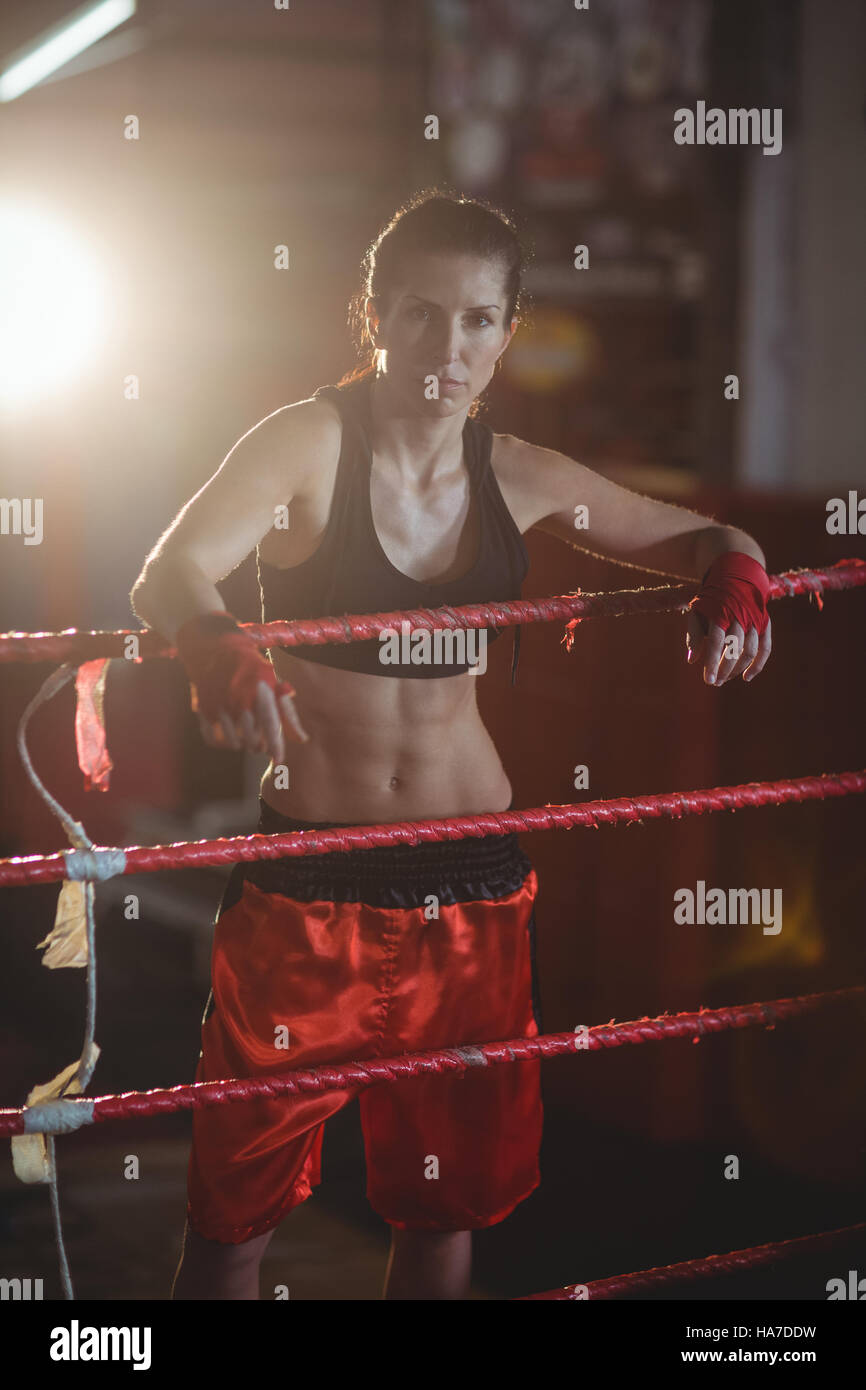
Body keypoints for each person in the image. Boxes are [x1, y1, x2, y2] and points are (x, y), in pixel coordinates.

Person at [129, 190, 772, 1301]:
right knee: (232, 1219)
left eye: (476, 320)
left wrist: (739, 580)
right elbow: (167, 571)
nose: (447, 346)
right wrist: (215, 647)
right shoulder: (304, 441)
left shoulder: (519, 473)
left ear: (506, 334)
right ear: (375, 317)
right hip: (309, 886)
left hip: (469, 885)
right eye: (421, 314)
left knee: (445, 1208)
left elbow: (709, 536)